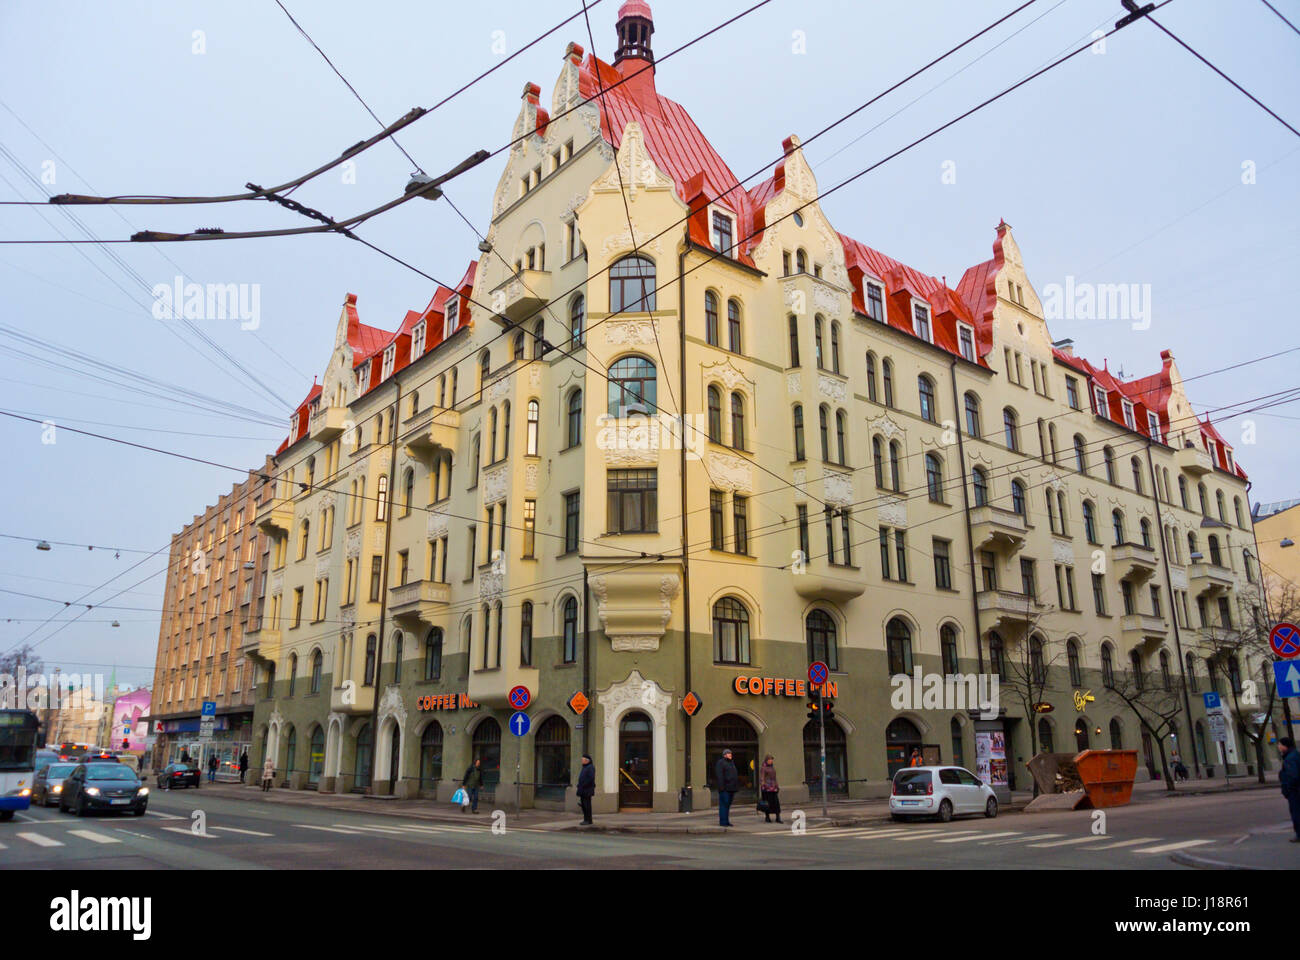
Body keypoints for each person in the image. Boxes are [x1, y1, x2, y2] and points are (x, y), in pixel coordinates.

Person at [1279, 737, 1300, 843]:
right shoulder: (1295, 755)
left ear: (1285, 746)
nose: (1278, 747)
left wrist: (1287, 789)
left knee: (1296, 812)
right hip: (1296, 789)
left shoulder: (1289, 758)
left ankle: (1299, 834)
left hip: (1294, 791)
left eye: (1280, 744)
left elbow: (1293, 776)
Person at [715, 748, 739, 827]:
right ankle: (723, 822)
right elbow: (720, 776)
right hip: (725, 788)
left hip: (731, 788)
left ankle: (727, 821)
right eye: (728, 753)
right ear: (725, 755)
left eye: (730, 753)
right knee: (724, 805)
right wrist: (722, 788)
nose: (730, 754)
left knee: (727, 805)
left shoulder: (731, 763)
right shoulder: (721, 763)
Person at [759, 754, 782, 824]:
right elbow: (762, 778)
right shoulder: (763, 768)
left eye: (771, 759)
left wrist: (777, 786)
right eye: (769, 759)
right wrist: (763, 784)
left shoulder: (772, 768)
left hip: (773, 788)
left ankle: (778, 817)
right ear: (766, 760)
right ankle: (767, 817)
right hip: (767, 789)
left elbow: (774, 778)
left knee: (776, 803)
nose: (771, 761)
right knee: (767, 804)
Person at [576, 753, 596, 825]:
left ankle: (588, 820)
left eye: (583, 759)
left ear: (587, 760)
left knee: (587, 805)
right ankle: (586, 819)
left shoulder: (590, 767)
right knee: (584, 805)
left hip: (587, 790)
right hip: (583, 789)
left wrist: (583, 785)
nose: (582, 760)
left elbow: (591, 778)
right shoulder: (585, 767)